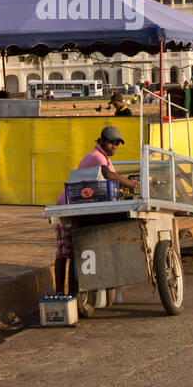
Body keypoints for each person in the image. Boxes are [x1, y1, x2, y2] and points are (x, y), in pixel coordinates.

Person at [52, 126, 140, 294]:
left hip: (81, 208)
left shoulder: (106, 158)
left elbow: (114, 181)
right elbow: (110, 176)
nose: (114, 146)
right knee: (64, 251)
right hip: (66, 207)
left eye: (117, 144)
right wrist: (136, 185)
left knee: (80, 248)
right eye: (111, 143)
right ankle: (59, 294)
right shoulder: (96, 156)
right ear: (101, 141)